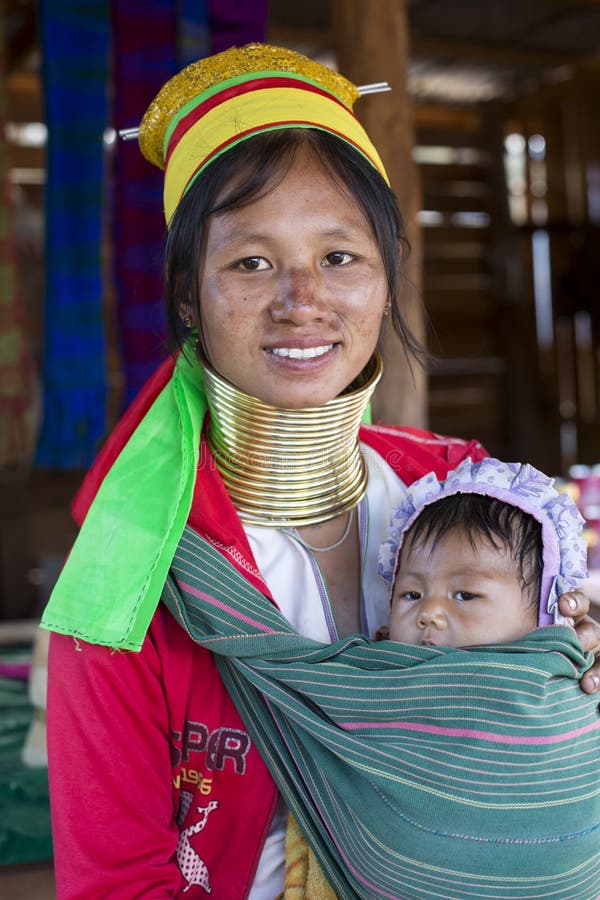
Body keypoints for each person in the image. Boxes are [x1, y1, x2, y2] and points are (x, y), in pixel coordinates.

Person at [41, 43, 600, 899]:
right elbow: (115, 884)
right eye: (251, 262)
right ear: (188, 294)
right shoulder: (124, 582)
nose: (302, 301)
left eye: (340, 257)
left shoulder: (472, 497)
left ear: (386, 279)